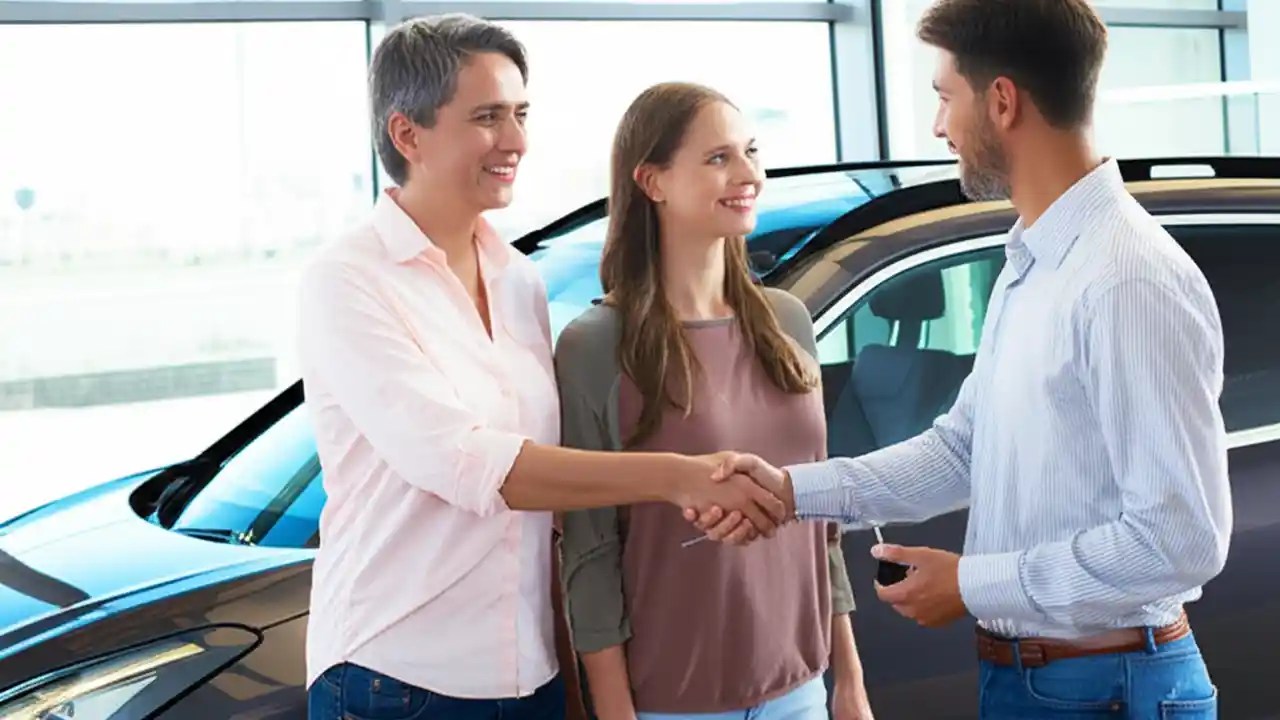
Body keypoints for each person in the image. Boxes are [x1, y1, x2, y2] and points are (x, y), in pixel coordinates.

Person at [694, 0, 1232, 717]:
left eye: (946, 97)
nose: (938, 126)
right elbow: (961, 450)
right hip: (1041, 681)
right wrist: (792, 493)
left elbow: (1180, 539)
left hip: (1106, 689)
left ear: (1002, 100)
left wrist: (971, 584)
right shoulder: (1032, 261)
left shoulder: (1125, 278)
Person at [296, 16, 786, 720]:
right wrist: (677, 474)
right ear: (408, 135)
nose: (517, 141)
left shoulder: (518, 279)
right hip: (395, 680)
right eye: (488, 117)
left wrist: (576, 675)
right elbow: (466, 464)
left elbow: (549, 513)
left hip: (530, 675)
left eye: (521, 114)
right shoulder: (348, 281)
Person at [554, 82, 875, 720]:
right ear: (653, 181)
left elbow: (822, 525)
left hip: (802, 689)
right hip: (673, 704)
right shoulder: (596, 345)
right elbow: (590, 552)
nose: (749, 173)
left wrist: (850, 682)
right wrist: (615, 712)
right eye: (719, 158)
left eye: (750, 151)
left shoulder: (787, 322)